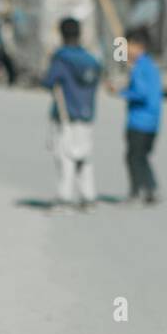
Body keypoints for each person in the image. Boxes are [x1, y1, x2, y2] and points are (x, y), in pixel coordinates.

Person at [42, 18, 102, 210]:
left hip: (66, 114)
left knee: (65, 157)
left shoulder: (61, 58)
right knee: (85, 157)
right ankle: (88, 196)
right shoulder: (91, 60)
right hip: (87, 115)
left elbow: (49, 81)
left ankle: (65, 197)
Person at [118, 28, 162, 204]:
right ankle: (150, 189)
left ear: (138, 46)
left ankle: (136, 192)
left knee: (133, 157)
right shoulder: (150, 66)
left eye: (128, 45)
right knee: (142, 157)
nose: (126, 50)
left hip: (139, 122)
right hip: (152, 122)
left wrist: (122, 92)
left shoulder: (140, 68)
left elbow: (141, 93)